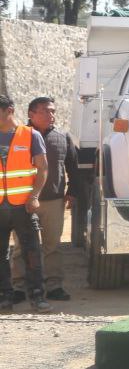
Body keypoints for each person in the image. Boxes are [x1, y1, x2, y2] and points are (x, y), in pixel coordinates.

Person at [10, 97, 78, 302]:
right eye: (45, 111)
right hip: (22, 201)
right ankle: (19, 287)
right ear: (31, 114)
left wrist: (71, 191)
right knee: (22, 246)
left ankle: (54, 286)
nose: (51, 115)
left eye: (53, 111)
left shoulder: (62, 137)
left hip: (53, 201)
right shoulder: (18, 136)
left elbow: (72, 166)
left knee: (52, 246)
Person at [0, 94, 53, 314]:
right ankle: (5, 297)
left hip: (23, 207)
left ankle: (37, 296)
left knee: (32, 252)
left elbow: (43, 169)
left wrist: (34, 196)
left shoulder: (30, 135)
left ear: (9, 110)